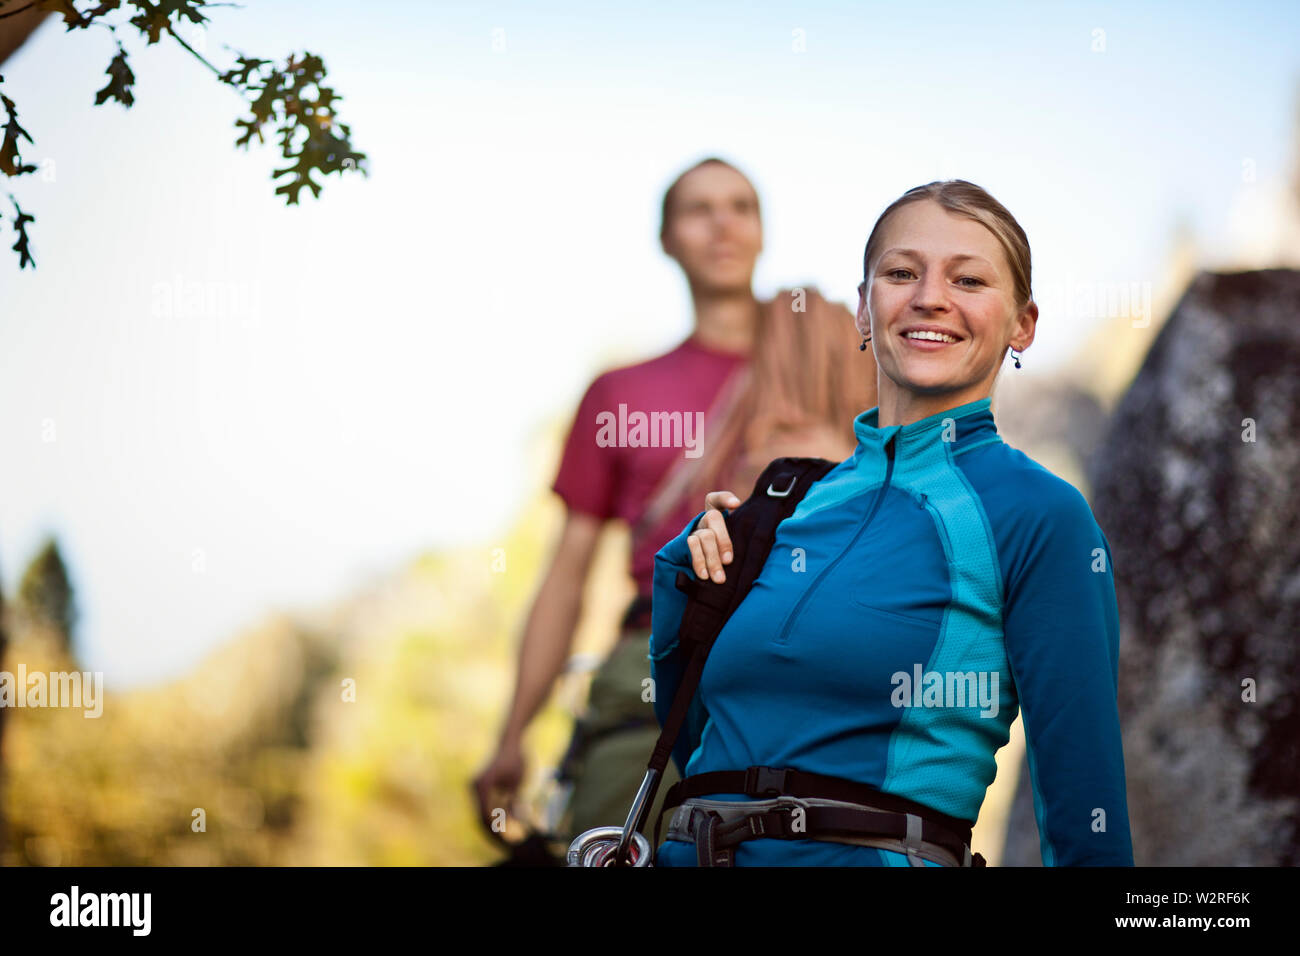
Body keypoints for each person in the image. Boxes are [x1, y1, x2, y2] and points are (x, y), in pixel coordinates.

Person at [649, 179, 1135, 866]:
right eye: (902, 272)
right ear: (863, 310)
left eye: (968, 279)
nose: (929, 296)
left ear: (1023, 323)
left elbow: (1086, 815)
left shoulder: (1040, 515)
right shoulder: (783, 503)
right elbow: (698, 747)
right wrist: (685, 582)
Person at [471, 157, 876, 853]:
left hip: (801, 658)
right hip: (653, 670)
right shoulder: (619, 393)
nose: (722, 224)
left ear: (761, 231)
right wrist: (511, 736)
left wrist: (834, 450)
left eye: (740, 207)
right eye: (699, 209)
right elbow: (565, 576)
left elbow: (903, 508)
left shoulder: (841, 351)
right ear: (666, 238)